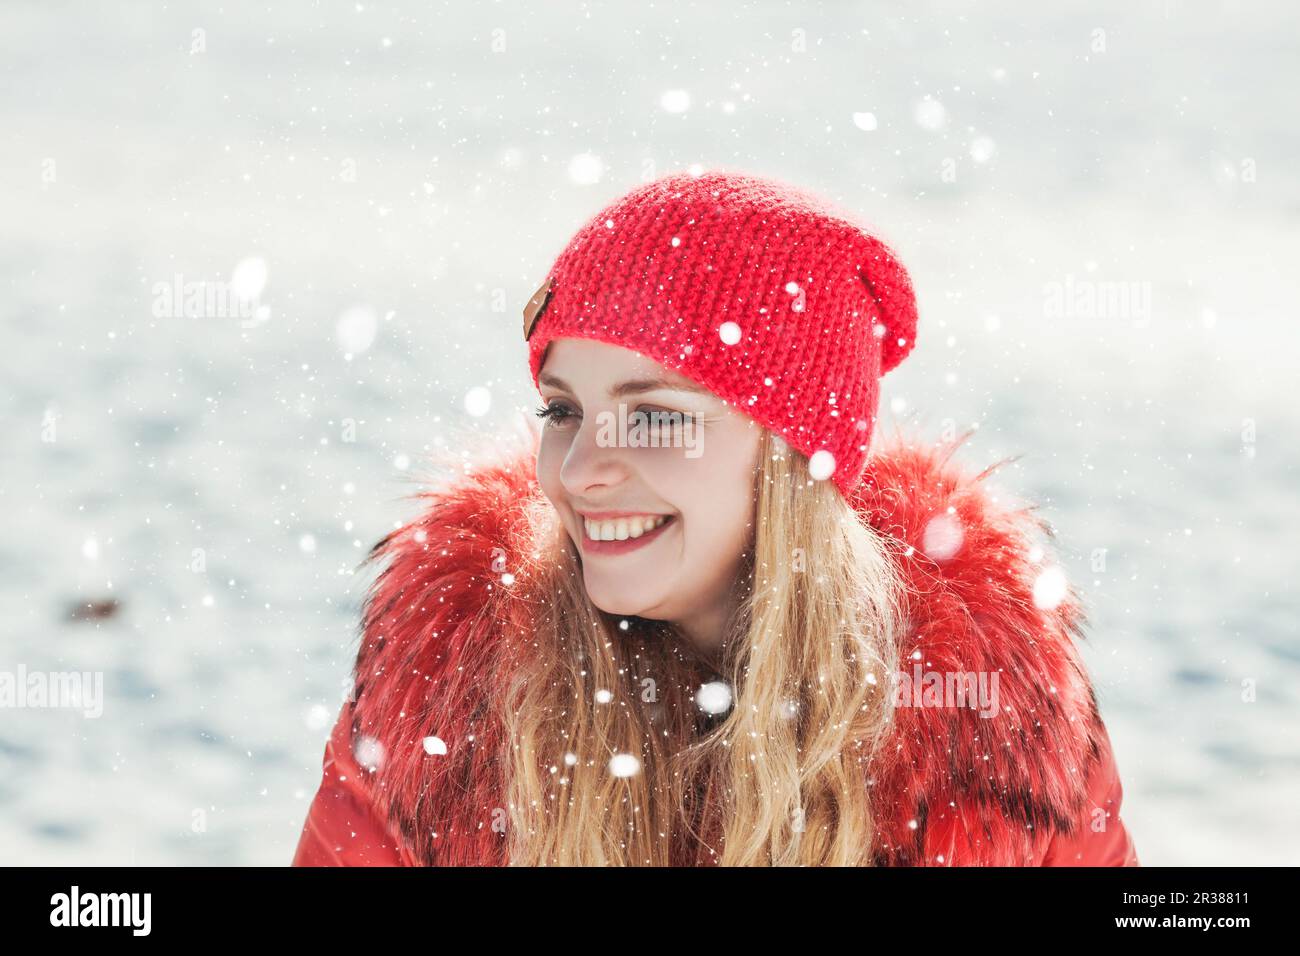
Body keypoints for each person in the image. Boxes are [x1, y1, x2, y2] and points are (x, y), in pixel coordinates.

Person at [292, 169, 1139, 866]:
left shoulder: (989, 729)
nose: (582, 469)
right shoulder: (449, 699)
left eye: (654, 416)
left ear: (792, 459)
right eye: (562, 411)